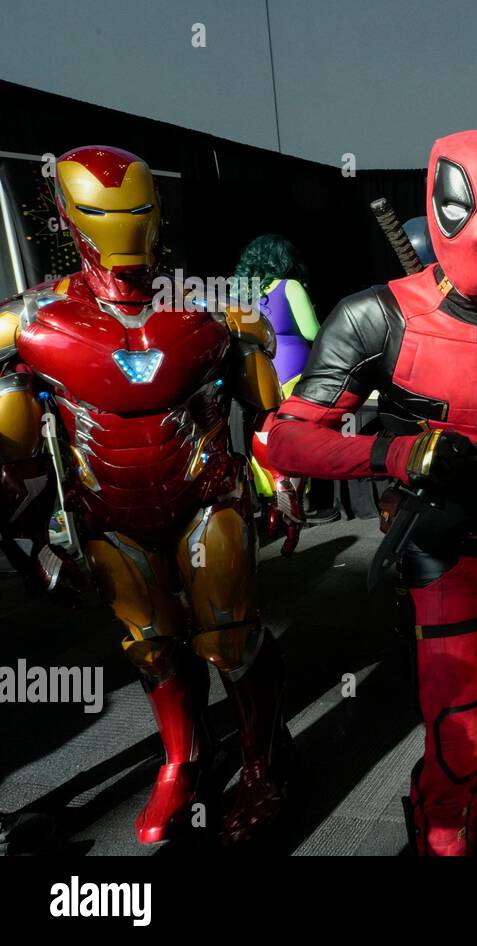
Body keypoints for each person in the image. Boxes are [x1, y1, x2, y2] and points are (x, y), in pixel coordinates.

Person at [260, 130, 477, 856]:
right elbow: (284, 438)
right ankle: (443, 826)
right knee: (460, 727)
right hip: (447, 552)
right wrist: (398, 452)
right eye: (462, 210)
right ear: (434, 208)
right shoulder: (375, 316)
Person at [0, 145, 302, 846]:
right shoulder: (30, 321)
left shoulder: (212, 312)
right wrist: (34, 526)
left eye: (137, 213)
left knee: (229, 637)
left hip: (206, 497)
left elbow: (266, 416)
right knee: (153, 649)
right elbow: (13, 456)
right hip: (108, 513)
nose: (124, 232)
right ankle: (183, 760)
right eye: (108, 214)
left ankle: (263, 761)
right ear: (72, 219)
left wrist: (281, 478)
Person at [233, 234, 320, 394]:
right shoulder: (290, 286)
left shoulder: (238, 294)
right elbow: (312, 333)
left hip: (253, 380)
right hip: (293, 372)